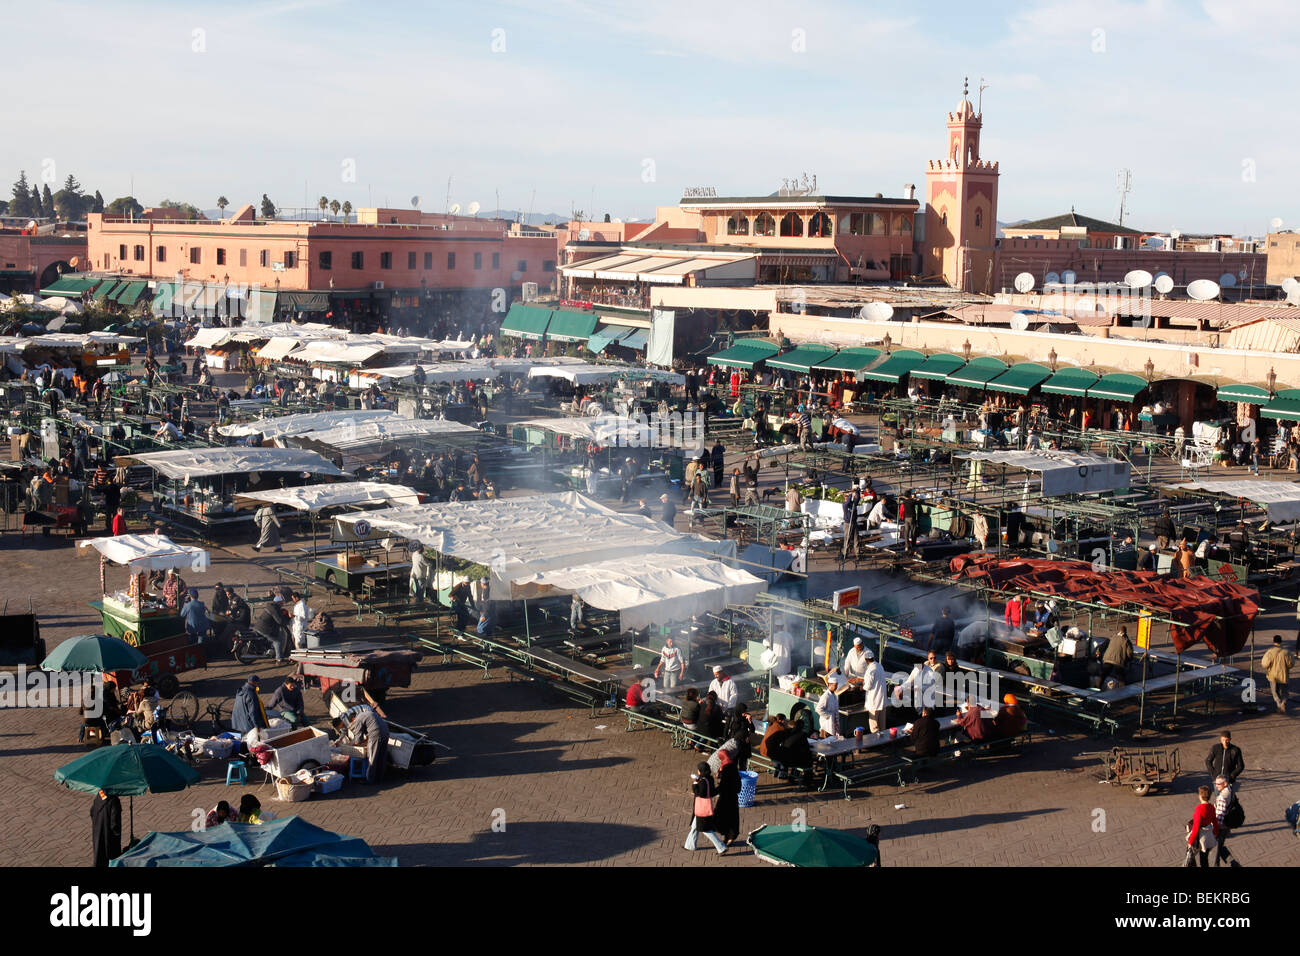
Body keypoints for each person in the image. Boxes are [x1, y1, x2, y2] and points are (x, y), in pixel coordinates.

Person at [333, 705, 389, 785]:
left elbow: (358, 740)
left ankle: (370, 779)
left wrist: (350, 745)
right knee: (381, 756)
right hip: (385, 732)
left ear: (353, 719)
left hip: (376, 734)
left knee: (372, 758)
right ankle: (380, 777)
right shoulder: (365, 714)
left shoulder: (357, 720)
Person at [684, 762, 727, 855]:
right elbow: (711, 792)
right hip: (702, 809)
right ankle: (689, 845)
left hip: (701, 809)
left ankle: (721, 847)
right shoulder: (709, 779)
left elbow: (700, 793)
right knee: (695, 827)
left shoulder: (703, 781)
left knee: (705, 829)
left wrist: (695, 783)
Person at [712, 746, 742, 844]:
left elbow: (723, 785)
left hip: (725, 797)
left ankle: (725, 835)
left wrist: (713, 792)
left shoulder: (725, 769)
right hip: (733, 797)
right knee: (732, 818)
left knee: (721, 816)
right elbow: (738, 785)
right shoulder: (733, 766)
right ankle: (731, 836)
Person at [1212, 775, 1243, 867]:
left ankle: (1233, 864)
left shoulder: (1222, 797)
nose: (1216, 786)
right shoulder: (1230, 790)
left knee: (1215, 852)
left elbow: (1220, 817)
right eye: (1215, 783)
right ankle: (1234, 864)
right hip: (1226, 826)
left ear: (1225, 783)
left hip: (1220, 828)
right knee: (1219, 848)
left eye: (1218, 784)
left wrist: (1214, 829)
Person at [1186, 785, 1220, 867]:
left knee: (1190, 857)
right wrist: (1215, 833)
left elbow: (1196, 827)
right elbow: (1215, 821)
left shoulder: (1199, 809)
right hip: (1209, 836)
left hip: (1200, 837)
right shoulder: (1211, 807)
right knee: (1204, 859)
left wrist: (1190, 842)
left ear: (1201, 796)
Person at [1261, 634, 1294, 713]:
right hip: (1284, 675)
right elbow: (1291, 664)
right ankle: (1283, 702)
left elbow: (1264, 664)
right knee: (1284, 691)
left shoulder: (1270, 652)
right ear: (1281, 641)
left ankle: (1279, 704)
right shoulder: (1287, 652)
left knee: (1274, 691)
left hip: (1273, 676)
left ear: (1274, 642)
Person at [90, 789, 122, 867]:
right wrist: (117, 834)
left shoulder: (99, 795)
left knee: (99, 856)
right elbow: (114, 823)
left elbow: (91, 811)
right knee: (110, 859)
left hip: (97, 832)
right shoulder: (114, 801)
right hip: (109, 838)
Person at [253, 596, 290, 662]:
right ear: (278, 602)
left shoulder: (271, 606)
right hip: (264, 628)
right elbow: (279, 621)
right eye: (281, 603)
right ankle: (279, 658)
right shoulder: (274, 609)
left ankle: (271, 651)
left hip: (259, 626)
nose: (282, 604)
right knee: (277, 641)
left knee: (274, 637)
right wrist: (288, 620)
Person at [862, 648, 887, 733]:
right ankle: (883, 741)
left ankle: (876, 742)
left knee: (874, 725)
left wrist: (862, 687)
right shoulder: (879, 666)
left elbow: (868, 686)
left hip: (874, 701)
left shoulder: (870, 670)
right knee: (882, 723)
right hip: (882, 700)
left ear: (866, 660)